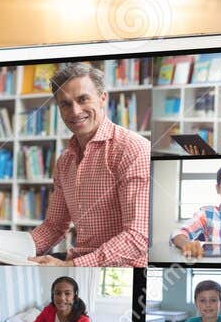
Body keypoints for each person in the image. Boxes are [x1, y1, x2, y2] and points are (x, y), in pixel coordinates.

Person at [22, 61, 149, 267]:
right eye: (65, 104)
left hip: (123, 269)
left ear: (102, 99)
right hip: (79, 262)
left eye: (83, 99)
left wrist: (71, 266)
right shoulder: (65, 161)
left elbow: (138, 237)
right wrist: (15, 250)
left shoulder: (132, 149)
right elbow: (54, 226)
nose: (75, 111)